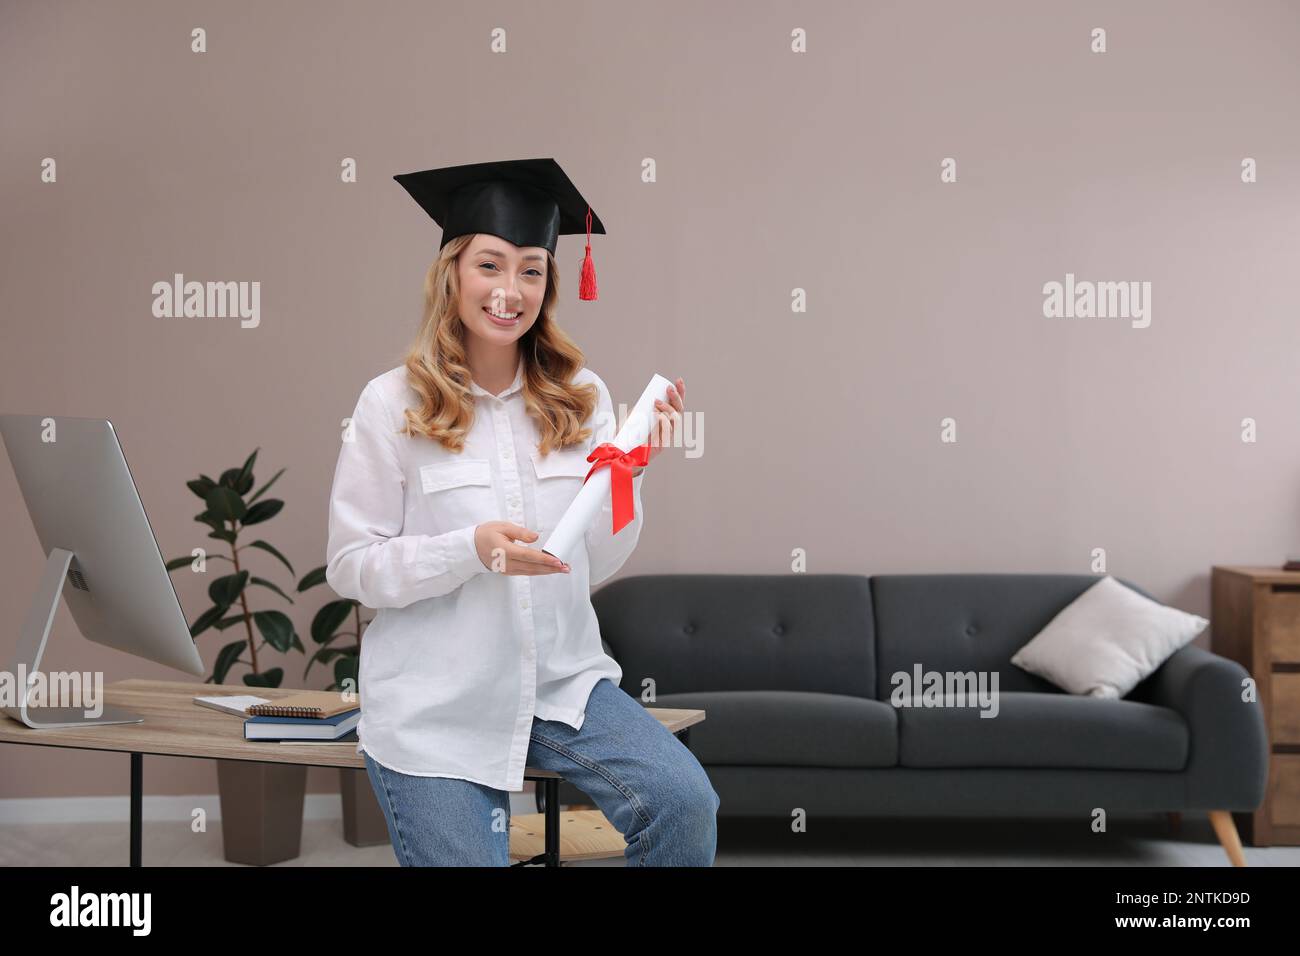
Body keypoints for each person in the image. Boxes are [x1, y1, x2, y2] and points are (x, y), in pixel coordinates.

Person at [324, 158, 719, 866]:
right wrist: (470, 548)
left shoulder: (585, 396)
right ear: (452, 272)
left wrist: (629, 474)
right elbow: (354, 567)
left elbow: (592, 560)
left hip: (560, 684)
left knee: (684, 803)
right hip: (435, 705)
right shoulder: (390, 404)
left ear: (550, 282)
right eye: (491, 265)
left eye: (531, 270)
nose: (510, 292)